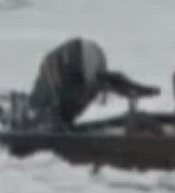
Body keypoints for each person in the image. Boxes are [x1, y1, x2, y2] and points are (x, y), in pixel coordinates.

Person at [26, 37, 158, 131]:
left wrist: (135, 89)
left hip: (75, 65)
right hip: (75, 64)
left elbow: (109, 80)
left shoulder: (78, 82)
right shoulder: (54, 93)